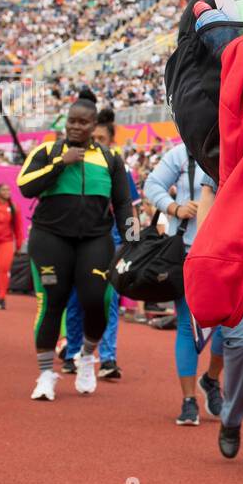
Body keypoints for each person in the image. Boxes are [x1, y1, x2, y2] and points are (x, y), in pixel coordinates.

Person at [17, 88, 134, 400]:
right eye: (72, 121)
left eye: (83, 122)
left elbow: (123, 204)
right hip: (50, 237)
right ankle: (45, 374)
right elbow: (25, 186)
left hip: (95, 239)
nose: (76, 127)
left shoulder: (110, 158)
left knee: (96, 300)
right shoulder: (47, 150)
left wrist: (134, 240)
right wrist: (60, 163)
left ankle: (86, 357)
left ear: (93, 125)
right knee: (52, 302)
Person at [143, 139, 224, 426]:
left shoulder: (234, 147)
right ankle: (189, 401)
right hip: (188, 253)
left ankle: (211, 380)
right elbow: (152, 185)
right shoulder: (179, 154)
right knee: (188, 330)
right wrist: (174, 208)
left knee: (229, 333)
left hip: (228, 255)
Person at [61, 106, 139, 378]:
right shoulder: (72, 164)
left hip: (111, 243)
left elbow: (129, 208)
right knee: (75, 299)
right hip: (78, 243)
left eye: (102, 139)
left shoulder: (117, 166)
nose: (96, 142)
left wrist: (131, 242)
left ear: (111, 142)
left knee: (109, 300)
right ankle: (72, 352)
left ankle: (107, 358)